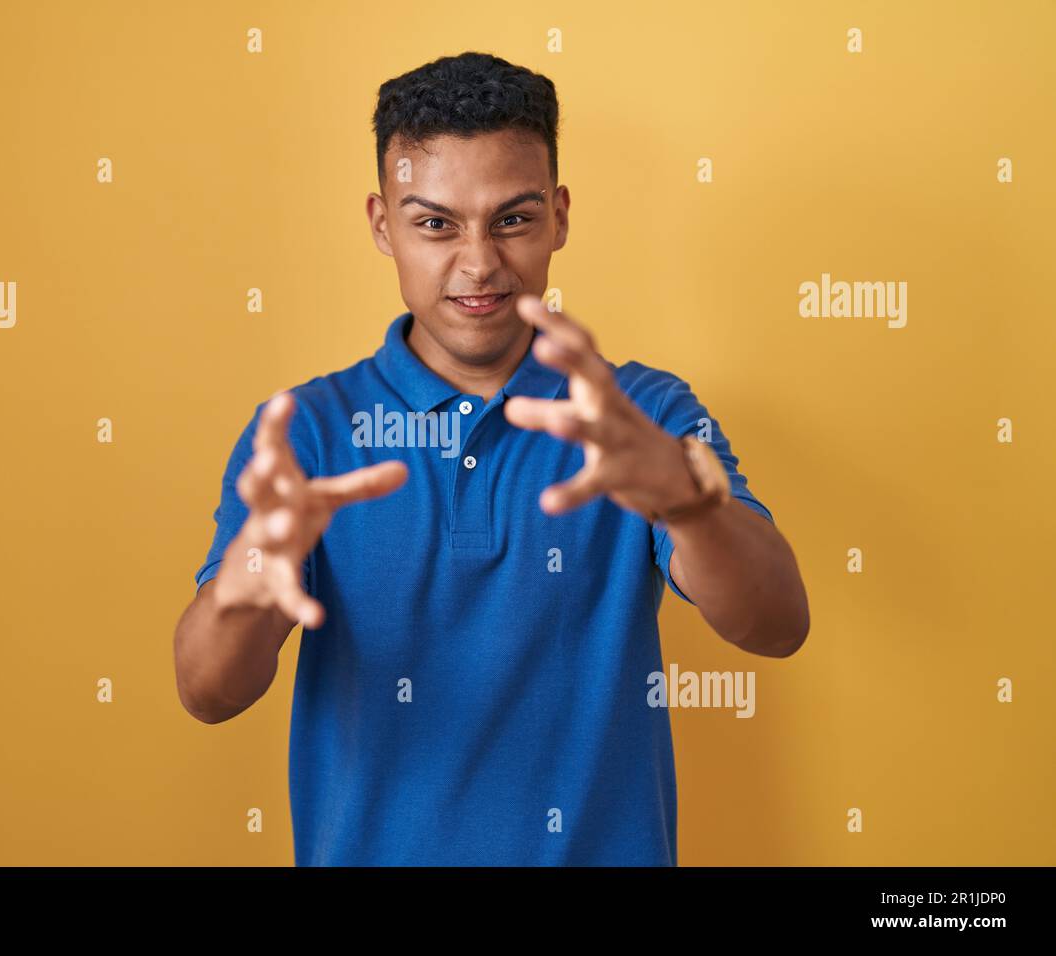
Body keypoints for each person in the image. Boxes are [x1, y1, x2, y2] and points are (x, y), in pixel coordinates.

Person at [172, 51, 809, 866]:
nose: (478, 264)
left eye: (512, 218)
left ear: (560, 216)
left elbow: (778, 625)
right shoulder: (304, 433)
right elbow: (208, 694)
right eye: (435, 222)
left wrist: (689, 503)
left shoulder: (638, 415)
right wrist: (250, 576)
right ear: (381, 224)